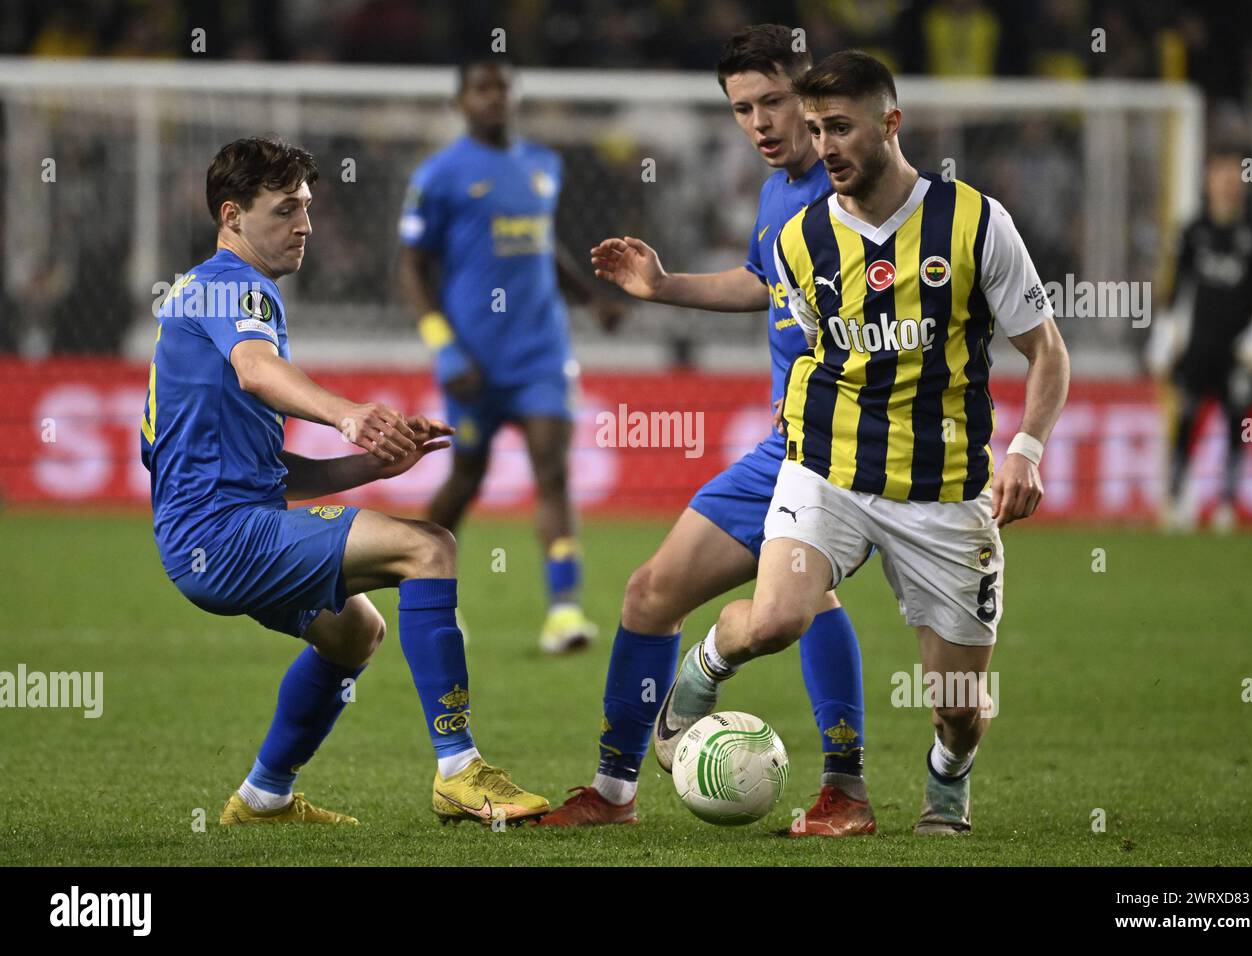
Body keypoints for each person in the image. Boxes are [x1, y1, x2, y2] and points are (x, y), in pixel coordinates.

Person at [654, 51, 1071, 835]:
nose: (825, 144)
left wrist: (1026, 451)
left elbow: (1045, 350)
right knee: (777, 617)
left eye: (839, 126)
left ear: (890, 123)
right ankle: (706, 665)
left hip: (945, 490)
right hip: (829, 471)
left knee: (957, 711)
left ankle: (948, 776)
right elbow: (815, 351)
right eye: (814, 129)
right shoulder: (800, 239)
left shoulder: (976, 222)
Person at [142, 136, 549, 827]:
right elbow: (256, 370)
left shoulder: (197, 294)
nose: (304, 224)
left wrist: (368, 466)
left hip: (206, 534)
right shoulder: (235, 287)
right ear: (232, 215)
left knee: (353, 633)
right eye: (284, 209)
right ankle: (459, 770)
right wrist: (347, 414)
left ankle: (263, 797)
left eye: (307, 206)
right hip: (224, 535)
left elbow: (248, 468)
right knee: (429, 548)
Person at [536, 25, 875, 838]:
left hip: (855, 444)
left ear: (816, 98)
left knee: (800, 598)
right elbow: (764, 283)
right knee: (651, 594)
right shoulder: (777, 192)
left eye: (773, 102)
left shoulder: (857, 194)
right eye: (740, 109)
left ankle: (848, 790)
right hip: (784, 446)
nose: (758, 123)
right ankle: (614, 794)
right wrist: (660, 286)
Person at [398, 58, 621, 654]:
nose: (495, 98)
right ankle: (420, 587)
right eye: (482, 89)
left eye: (503, 87)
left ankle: (564, 612)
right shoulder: (440, 176)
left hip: (542, 354)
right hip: (473, 360)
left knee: (553, 471)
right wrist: (444, 348)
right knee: (466, 476)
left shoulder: (543, 165)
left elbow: (541, 247)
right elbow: (412, 266)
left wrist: (589, 299)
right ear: (461, 102)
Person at [1147, 144, 1252, 532]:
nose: (1227, 182)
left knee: (1238, 424)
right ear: (1208, 179)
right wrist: (1164, 334)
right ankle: (1175, 498)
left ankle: (1227, 503)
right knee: (1186, 418)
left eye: (1234, 174)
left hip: (1239, 351)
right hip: (1198, 349)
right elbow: (1177, 290)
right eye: (1219, 173)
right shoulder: (1194, 231)